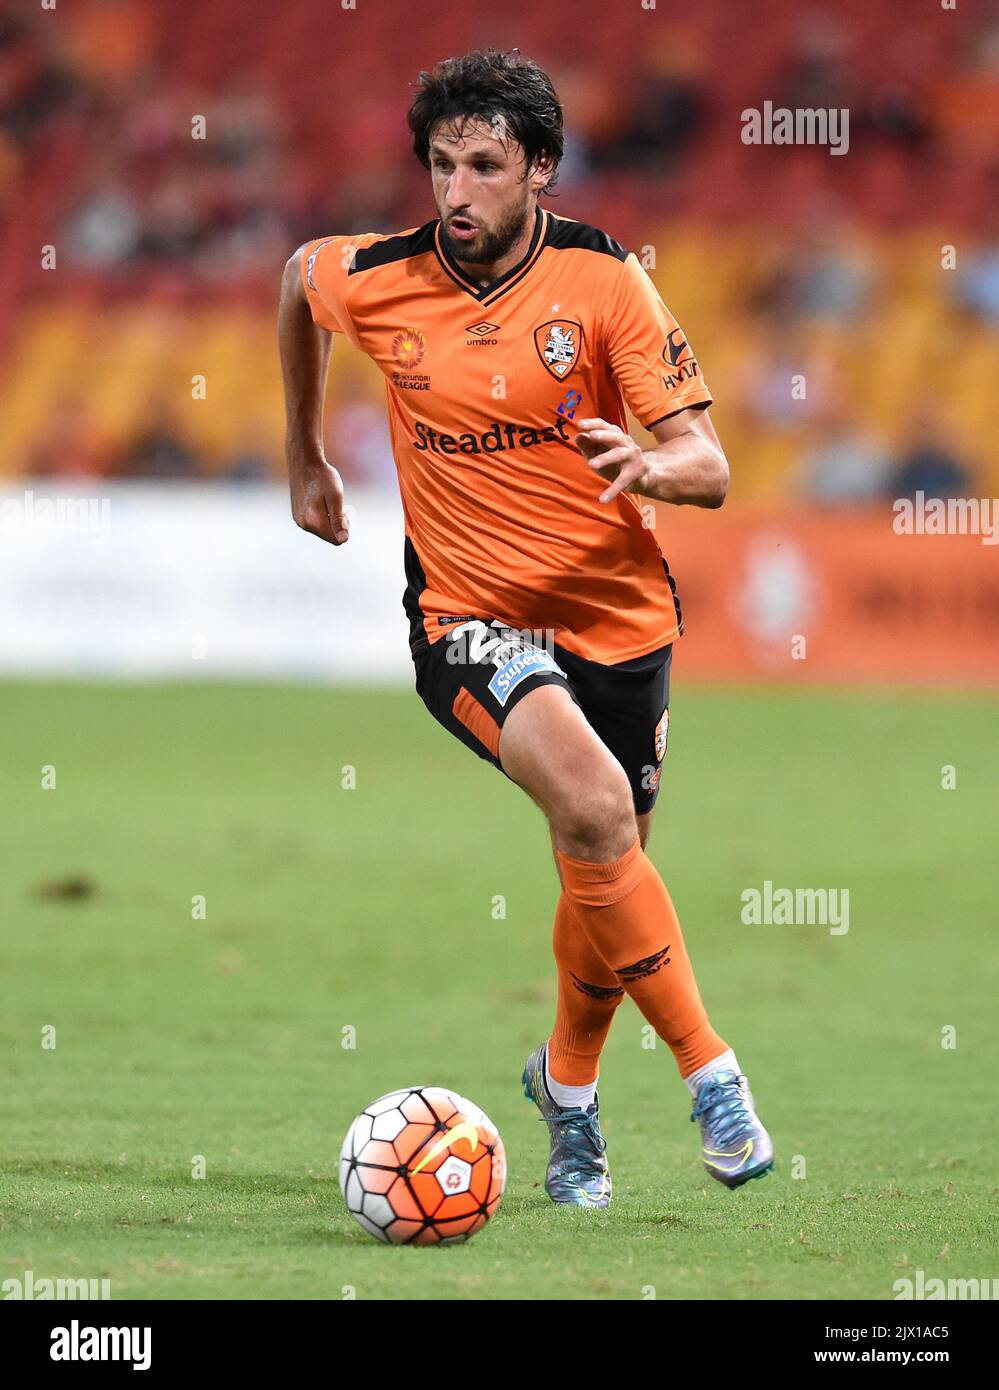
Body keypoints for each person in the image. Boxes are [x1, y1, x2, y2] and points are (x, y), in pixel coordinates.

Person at [278, 49, 773, 1210]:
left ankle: (569, 1092)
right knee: (598, 812)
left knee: (604, 867)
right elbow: (298, 282)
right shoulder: (379, 276)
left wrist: (653, 463)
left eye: (486, 166)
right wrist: (301, 453)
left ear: (541, 169)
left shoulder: (607, 286)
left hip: (620, 617)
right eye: (443, 165)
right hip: (470, 619)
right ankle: (713, 1074)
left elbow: (711, 465)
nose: (457, 192)